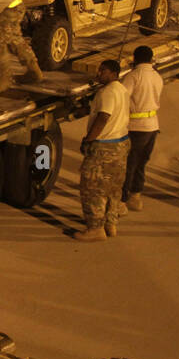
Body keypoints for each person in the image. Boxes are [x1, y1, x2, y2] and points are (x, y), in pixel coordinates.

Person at [76, 59, 130, 241]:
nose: (98, 73)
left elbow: (103, 117)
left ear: (114, 73)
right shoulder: (122, 90)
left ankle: (95, 228)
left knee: (92, 188)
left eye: (103, 71)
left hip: (104, 147)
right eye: (99, 70)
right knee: (113, 188)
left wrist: (88, 140)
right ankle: (110, 224)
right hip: (120, 143)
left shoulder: (107, 92)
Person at [121, 45, 163, 211]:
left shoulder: (133, 76)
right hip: (152, 126)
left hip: (136, 127)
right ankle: (136, 196)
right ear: (151, 59)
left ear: (135, 58)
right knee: (141, 163)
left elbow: (122, 97)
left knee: (129, 164)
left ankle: (122, 201)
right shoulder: (157, 76)